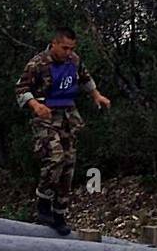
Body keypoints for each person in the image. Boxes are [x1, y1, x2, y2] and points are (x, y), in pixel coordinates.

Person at [16, 28, 110, 236]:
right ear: (54, 44)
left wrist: (97, 96)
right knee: (55, 157)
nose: (68, 52)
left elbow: (85, 79)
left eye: (71, 48)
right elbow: (21, 89)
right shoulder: (37, 63)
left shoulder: (74, 61)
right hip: (46, 115)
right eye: (64, 48)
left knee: (69, 163)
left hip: (68, 116)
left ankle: (59, 214)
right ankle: (43, 203)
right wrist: (34, 105)